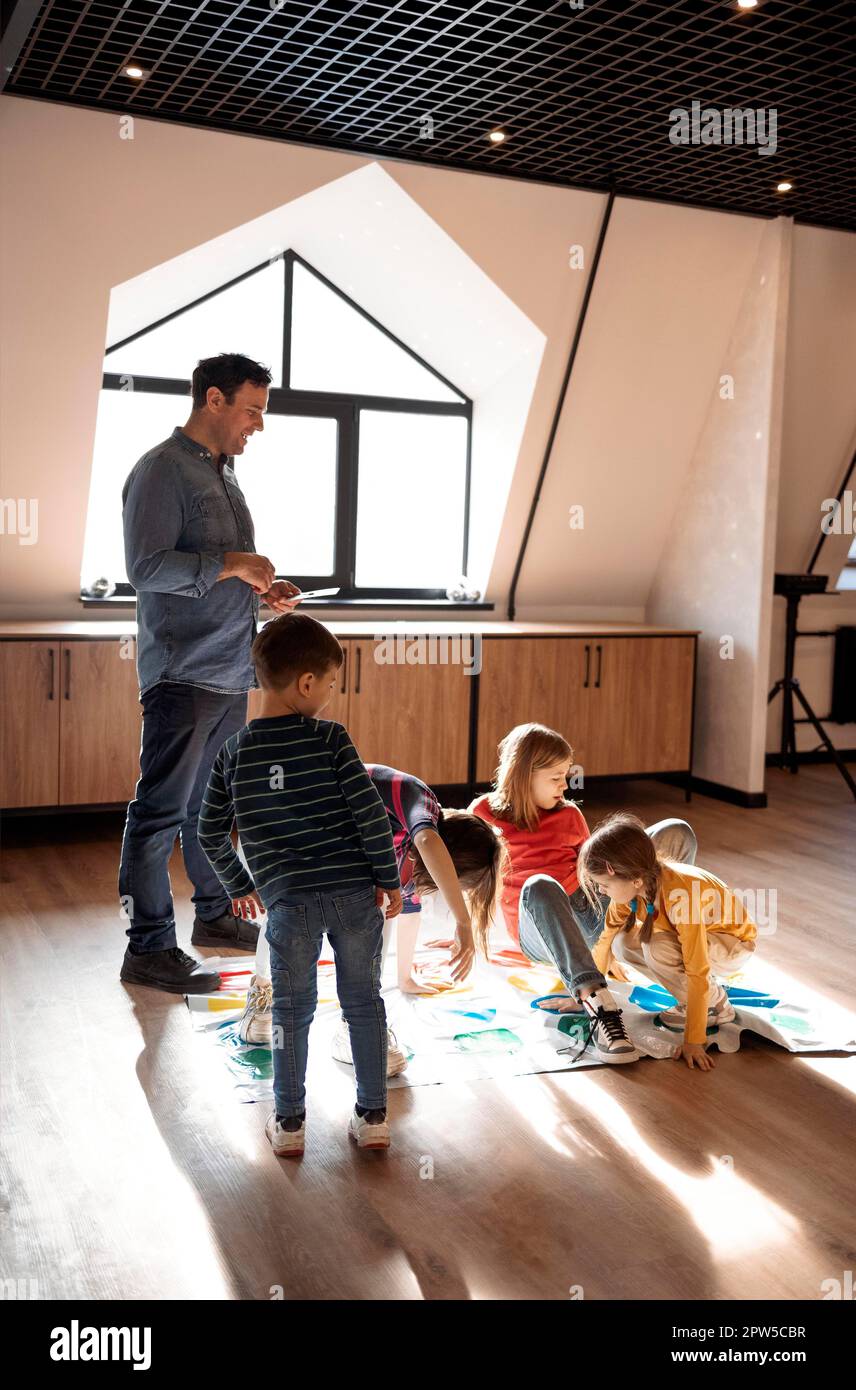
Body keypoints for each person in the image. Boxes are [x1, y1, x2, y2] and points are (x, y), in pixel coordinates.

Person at [118, 353, 301, 996]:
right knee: (161, 812)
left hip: (228, 671)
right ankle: (148, 949)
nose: (258, 424)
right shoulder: (160, 470)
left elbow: (220, 575)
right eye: (252, 410)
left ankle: (217, 917)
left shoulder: (226, 479)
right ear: (214, 400)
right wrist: (230, 563)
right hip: (182, 672)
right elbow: (146, 569)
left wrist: (261, 593)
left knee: (208, 809)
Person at [198, 613, 402, 1156]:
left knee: (291, 1012)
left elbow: (207, 831)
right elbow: (371, 816)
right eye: (331, 684)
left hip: (287, 904)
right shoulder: (331, 739)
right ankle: (372, 1118)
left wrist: (242, 885)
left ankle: (289, 1124)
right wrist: (389, 879)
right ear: (306, 684)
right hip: (355, 894)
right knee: (364, 1001)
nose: (331, 696)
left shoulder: (233, 753)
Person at [238, 764, 505, 1078]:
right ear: (452, 860)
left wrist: (404, 978)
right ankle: (262, 995)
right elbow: (428, 844)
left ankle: (355, 1021)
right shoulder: (423, 804)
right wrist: (463, 922)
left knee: (382, 903)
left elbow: (406, 912)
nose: (448, 892)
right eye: (455, 885)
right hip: (286, 832)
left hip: (330, 864)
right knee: (289, 913)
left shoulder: (411, 867)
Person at [470, 723, 697, 1065]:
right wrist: (468, 933)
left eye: (567, 775)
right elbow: (475, 882)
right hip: (540, 927)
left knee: (675, 833)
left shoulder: (569, 814)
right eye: (556, 777)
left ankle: (671, 948)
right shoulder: (483, 814)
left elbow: (597, 870)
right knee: (541, 885)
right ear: (523, 776)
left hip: (590, 914)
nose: (566, 784)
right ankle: (599, 1005)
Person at [578, 812, 758, 1072]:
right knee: (622, 943)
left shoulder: (680, 895)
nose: (601, 891)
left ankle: (717, 1005)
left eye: (604, 885)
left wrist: (694, 1040)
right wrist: (586, 993)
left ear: (635, 880)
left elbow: (697, 969)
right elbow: (605, 940)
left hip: (732, 945)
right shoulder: (632, 890)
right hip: (706, 943)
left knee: (657, 947)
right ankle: (699, 1000)